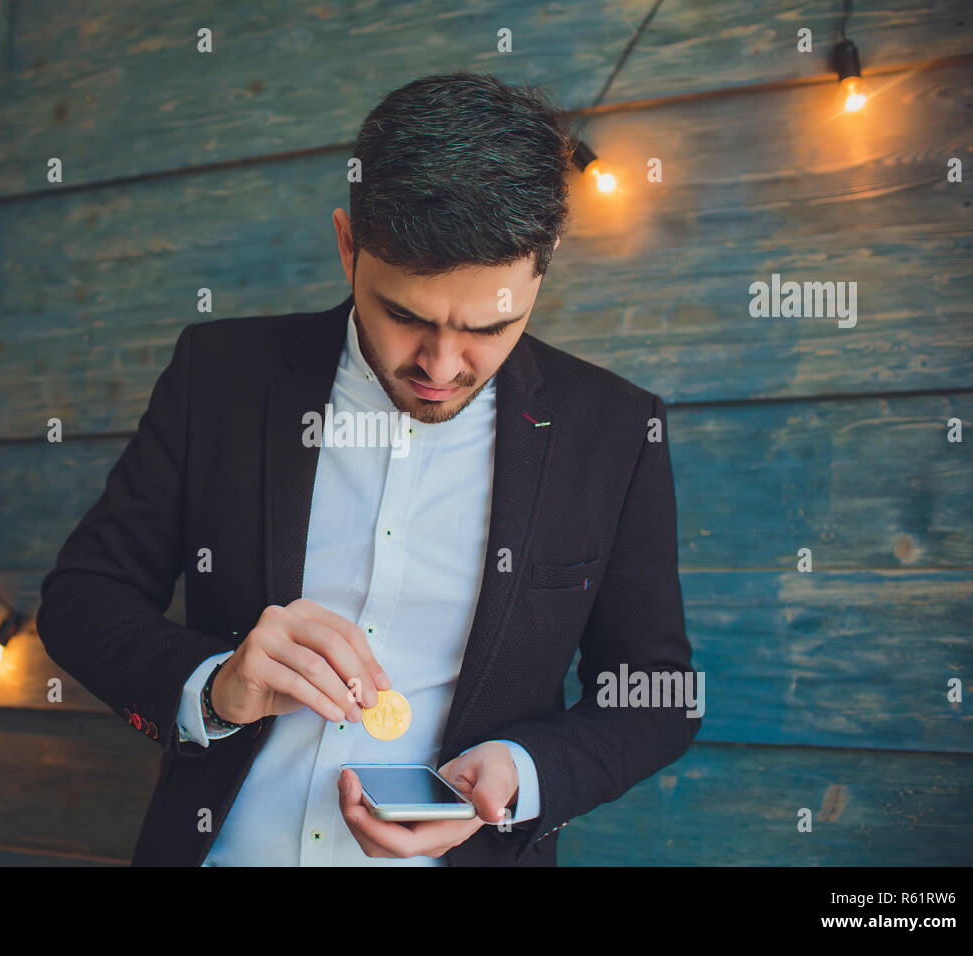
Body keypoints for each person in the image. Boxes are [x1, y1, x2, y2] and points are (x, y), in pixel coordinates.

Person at [36, 71, 700, 866]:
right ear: (348, 247)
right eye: (406, 316)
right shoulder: (219, 375)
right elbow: (81, 599)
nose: (443, 366)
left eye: (492, 326)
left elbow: (657, 697)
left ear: (543, 266)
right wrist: (215, 687)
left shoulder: (617, 431)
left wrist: (521, 776)